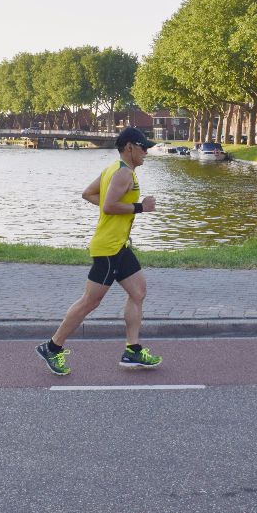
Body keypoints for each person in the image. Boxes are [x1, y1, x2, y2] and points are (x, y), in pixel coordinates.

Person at [36, 126, 162, 376]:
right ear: (129, 148)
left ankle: (133, 350)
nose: (146, 152)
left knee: (138, 292)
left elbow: (88, 194)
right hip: (108, 249)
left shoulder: (112, 170)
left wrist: (113, 205)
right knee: (89, 302)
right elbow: (109, 206)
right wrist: (140, 207)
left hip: (119, 246)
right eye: (143, 147)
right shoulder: (123, 174)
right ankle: (52, 347)